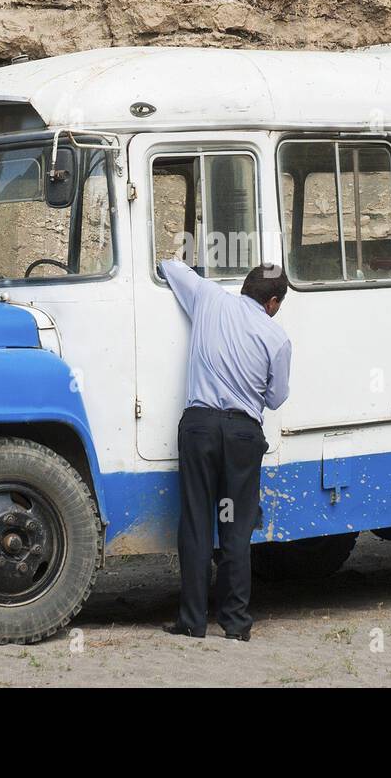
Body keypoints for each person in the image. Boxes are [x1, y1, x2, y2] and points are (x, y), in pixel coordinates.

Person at [158, 259, 292, 642]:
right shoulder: (276, 337)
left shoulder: (208, 297)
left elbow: (171, 266)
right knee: (235, 530)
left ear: (246, 287)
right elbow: (277, 398)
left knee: (197, 523)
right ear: (273, 302)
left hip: (199, 427)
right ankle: (235, 623)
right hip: (242, 435)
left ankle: (192, 621)